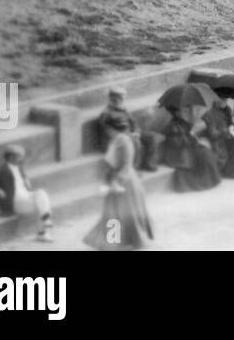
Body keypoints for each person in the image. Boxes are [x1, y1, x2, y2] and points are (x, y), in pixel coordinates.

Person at [83, 114, 153, 250]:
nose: (107, 132)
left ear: (113, 128)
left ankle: (124, 241)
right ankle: (113, 242)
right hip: (116, 180)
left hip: (125, 183)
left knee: (122, 213)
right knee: (113, 213)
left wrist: (116, 182)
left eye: (108, 129)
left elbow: (126, 165)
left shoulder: (125, 141)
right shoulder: (117, 140)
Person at [0, 145, 53, 242]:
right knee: (41, 204)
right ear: (10, 157)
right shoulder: (0, 170)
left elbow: (22, 176)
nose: (21, 159)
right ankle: (43, 231)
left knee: (41, 193)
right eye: (18, 156)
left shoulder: (19, 167)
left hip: (26, 195)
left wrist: (25, 179)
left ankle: (45, 220)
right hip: (15, 201)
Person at [160, 105, 223, 192]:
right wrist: (194, 141)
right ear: (177, 113)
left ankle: (210, 178)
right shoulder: (173, 127)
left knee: (206, 152)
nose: (186, 113)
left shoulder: (182, 123)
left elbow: (187, 137)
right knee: (204, 152)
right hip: (178, 153)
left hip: (187, 148)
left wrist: (194, 139)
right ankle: (198, 180)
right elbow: (177, 143)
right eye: (183, 111)